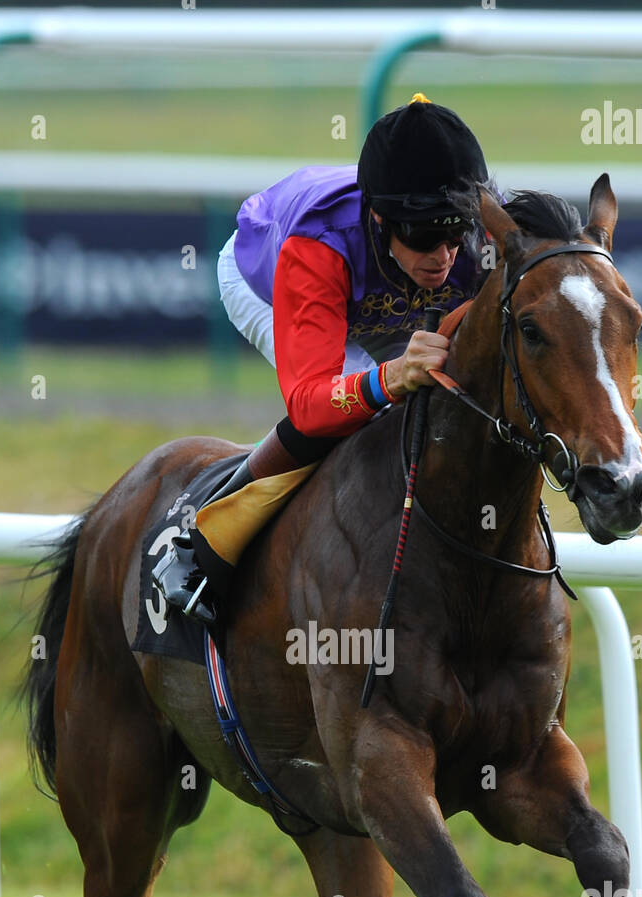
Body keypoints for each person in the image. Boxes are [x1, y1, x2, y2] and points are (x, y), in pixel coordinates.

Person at [152, 94, 490, 628]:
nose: (445, 256)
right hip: (263, 277)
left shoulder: (478, 236)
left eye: (457, 235)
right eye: (424, 235)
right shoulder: (320, 245)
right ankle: (201, 548)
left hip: (373, 301)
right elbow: (310, 404)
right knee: (368, 410)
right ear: (380, 217)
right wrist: (393, 376)